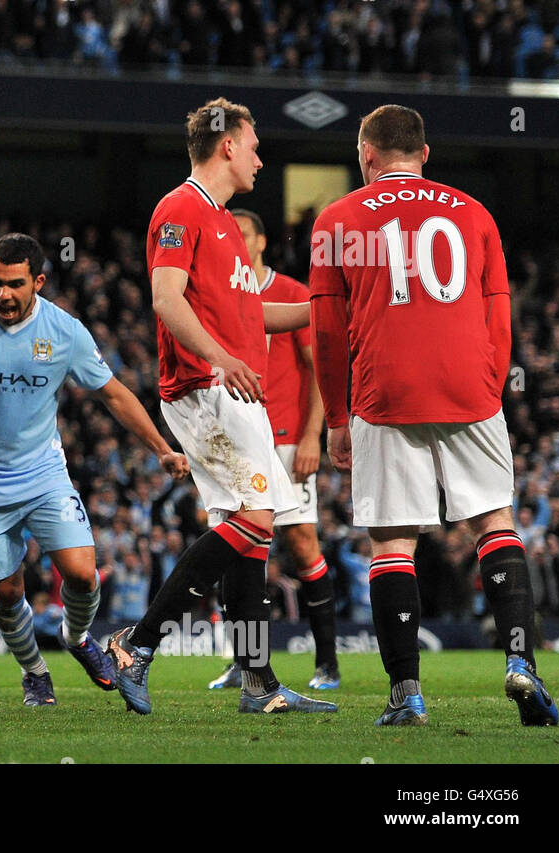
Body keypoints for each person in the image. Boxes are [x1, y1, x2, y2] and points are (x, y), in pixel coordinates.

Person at [309, 104, 558, 726]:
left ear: (366, 156)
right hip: (469, 386)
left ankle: (407, 695)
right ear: (424, 154)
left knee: (393, 539)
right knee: (494, 522)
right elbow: (499, 313)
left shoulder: (337, 220)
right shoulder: (474, 214)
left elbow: (327, 329)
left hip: (384, 390)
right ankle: (522, 663)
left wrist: (336, 416)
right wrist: (489, 386)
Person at [0, 233, 191, 706]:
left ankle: (77, 638)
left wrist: (160, 448)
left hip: (42, 473)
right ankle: (34, 671)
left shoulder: (64, 331)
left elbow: (112, 393)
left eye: (14, 284)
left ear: (39, 282)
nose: (2, 294)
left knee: (82, 573)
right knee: (8, 591)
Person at [105, 99, 336, 716]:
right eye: (254, 145)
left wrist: (326, 308)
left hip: (231, 387)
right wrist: (222, 358)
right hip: (207, 387)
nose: (261, 157)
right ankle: (137, 641)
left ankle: (258, 682)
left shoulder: (226, 225)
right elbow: (165, 299)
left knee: (252, 542)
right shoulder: (179, 209)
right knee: (257, 523)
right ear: (227, 145)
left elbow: (253, 314)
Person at [207, 209, 341, 691]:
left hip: (285, 437)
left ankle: (327, 663)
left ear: (261, 241)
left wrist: (312, 436)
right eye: (231, 238)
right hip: (233, 442)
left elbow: (320, 366)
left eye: (245, 235)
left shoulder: (288, 292)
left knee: (303, 542)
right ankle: (245, 662)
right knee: (237, 549)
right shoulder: (219, 291)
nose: (238, 244)